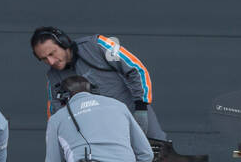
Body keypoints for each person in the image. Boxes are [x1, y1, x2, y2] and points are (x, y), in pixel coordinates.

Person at [30, 27, 167, 141]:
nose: (51, 61)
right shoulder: (53, 76)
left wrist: (141, 107)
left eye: (52, 53)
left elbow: (135, 69)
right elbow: (55, 111)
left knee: (162, 159)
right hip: (101, 133)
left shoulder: (97, 45)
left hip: (134, 113)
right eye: (44, 59)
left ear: (64, 43)